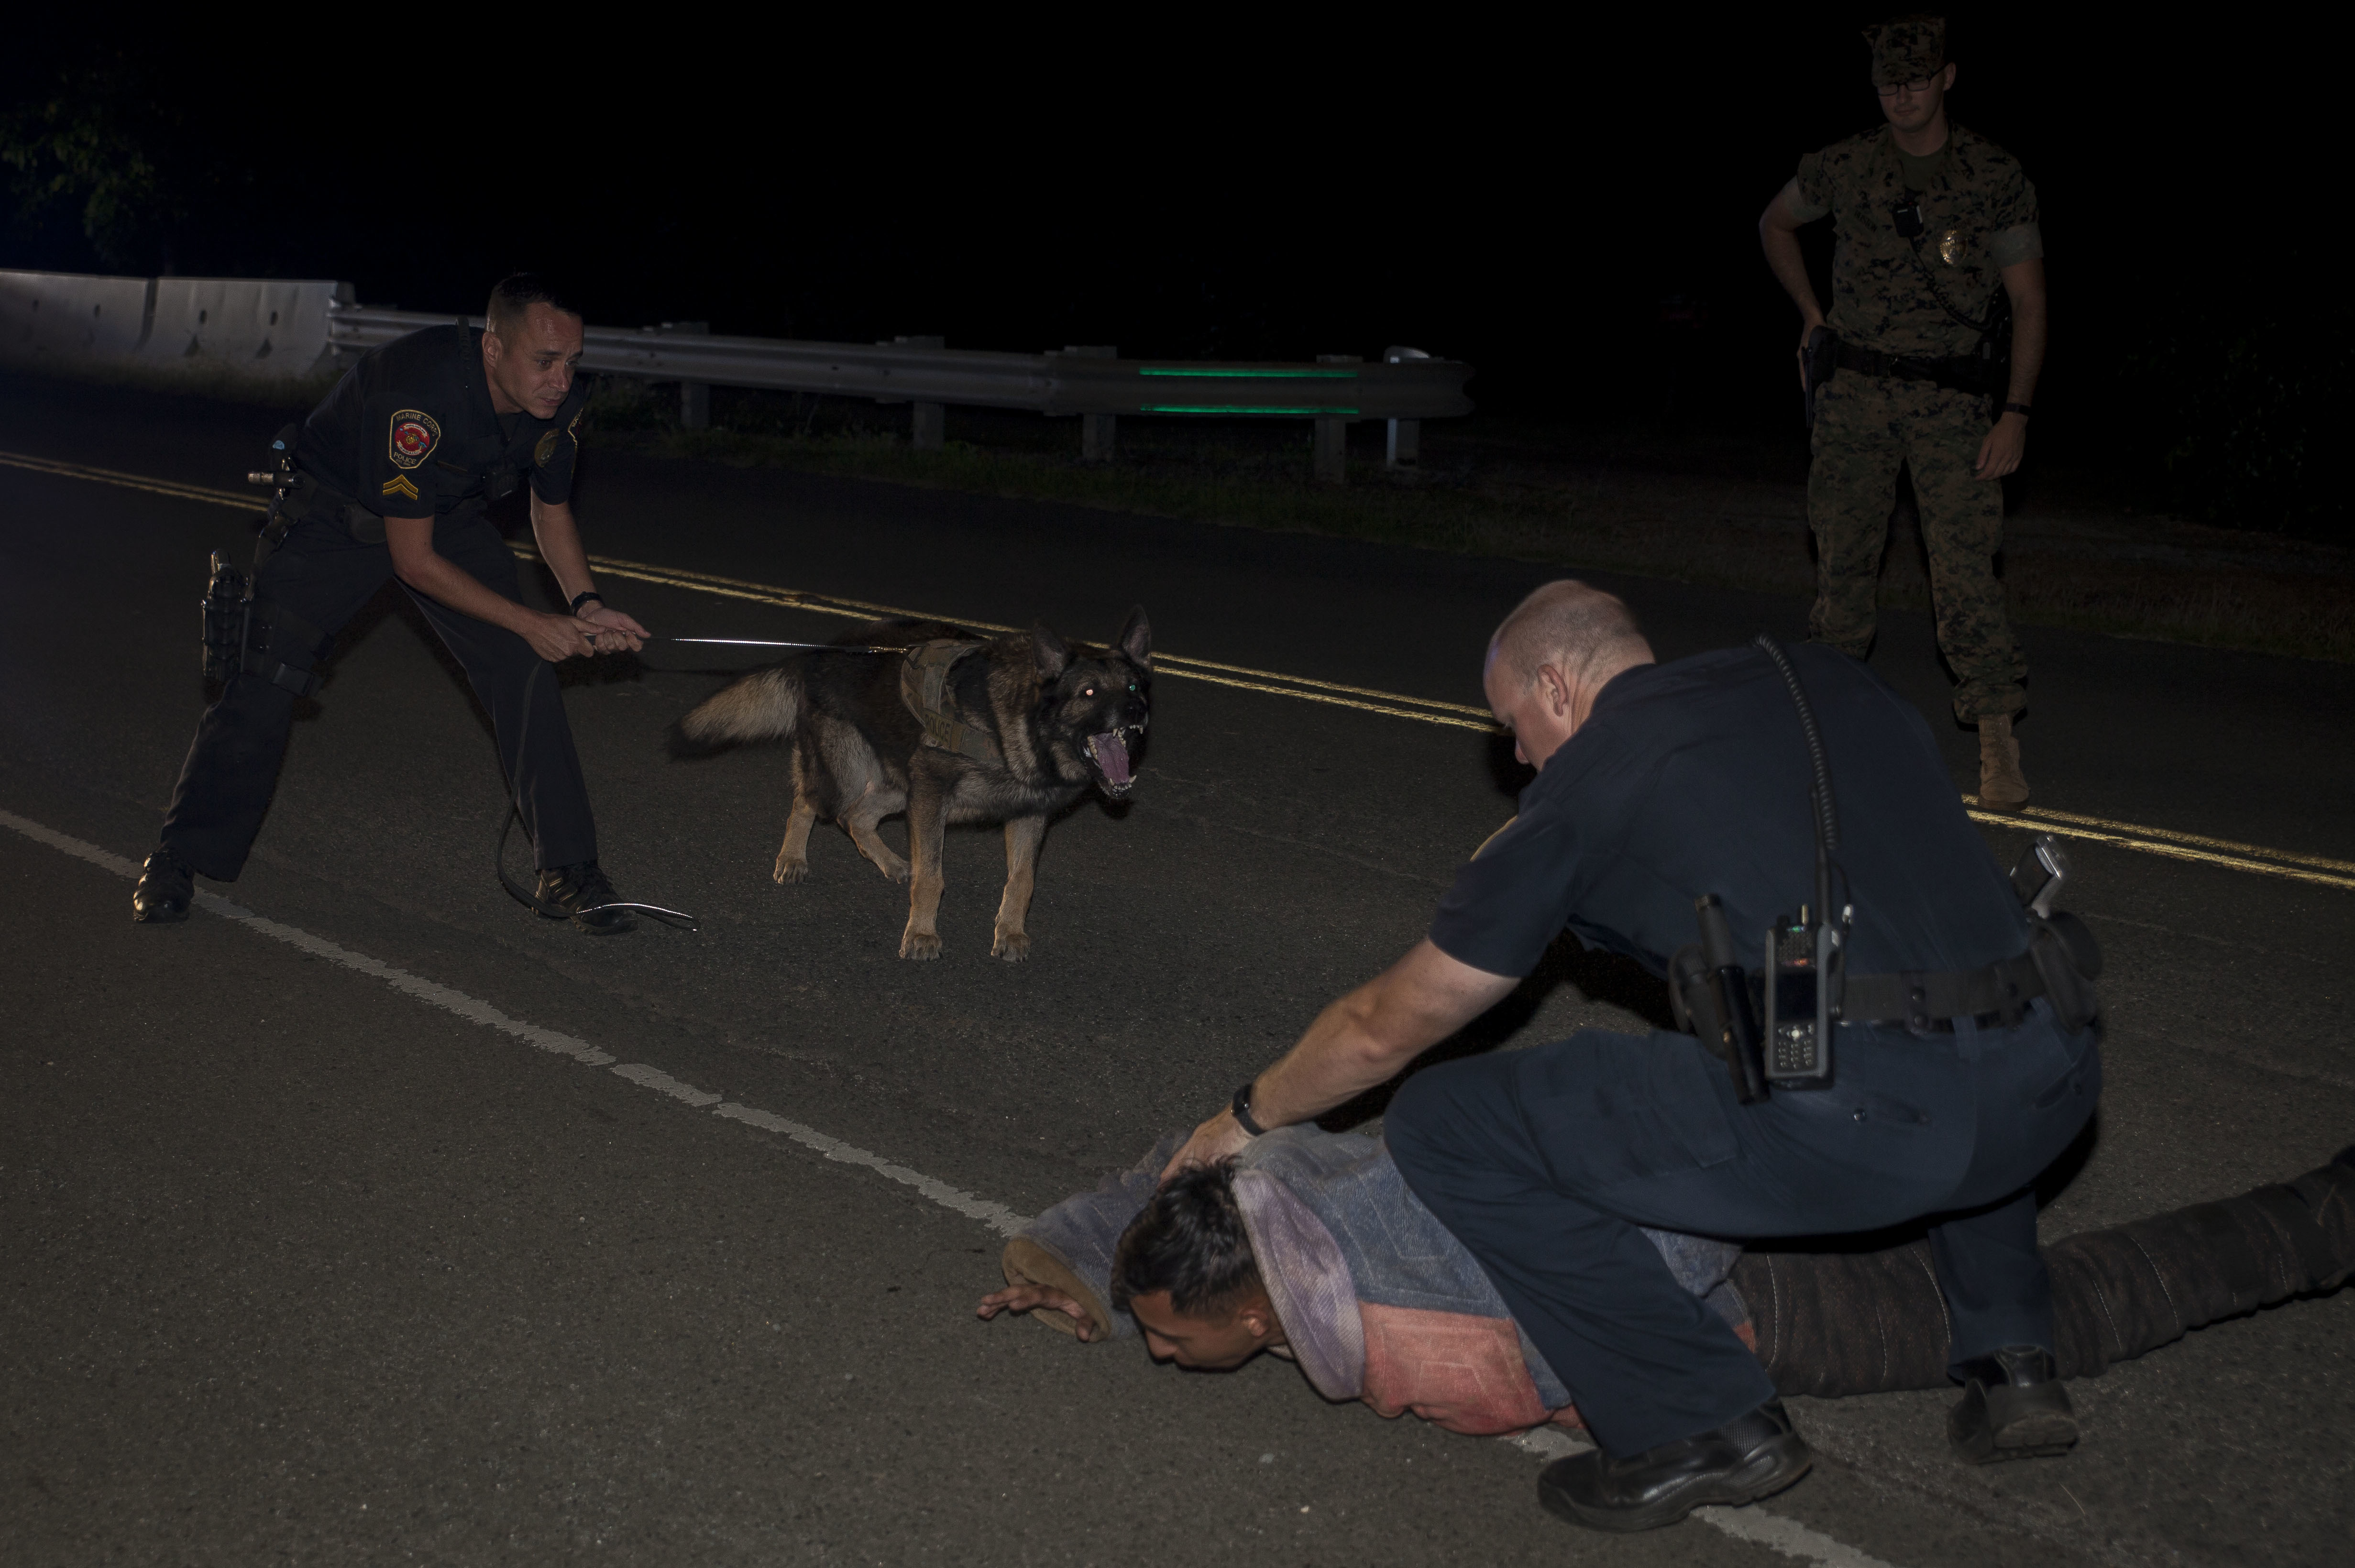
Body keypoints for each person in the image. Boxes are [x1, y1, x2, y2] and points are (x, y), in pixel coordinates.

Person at [1157, 579, 2102, 1532]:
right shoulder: (1818, 676)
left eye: (1514, 726)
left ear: (1558, 686)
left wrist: (1247, 1113)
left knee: (1446, 1120)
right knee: (1929, 994)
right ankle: (2012, 1358)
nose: (1518, 756)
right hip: (2053, 1078)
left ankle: (1699, 1419)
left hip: (1874, 1133)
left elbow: (1380, 1027)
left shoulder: (1591, 781)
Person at [978, 1129, 2354, 1463]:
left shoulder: (1421, 1327)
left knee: (2057, 1311)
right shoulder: (1271, 1177)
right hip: (1680, 1160)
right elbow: (1165, 1180)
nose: (1161, 1356)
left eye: (1168, 1338)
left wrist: (1676, 1404)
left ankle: (2319, 1220)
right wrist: (1059, 1258)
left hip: (1745, 1295)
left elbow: (1608, 1343)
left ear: (1251, 1311)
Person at [132, 274, 649, 933]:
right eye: (544, 361)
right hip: (336, 521)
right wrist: (534, 620)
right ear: (494, 348)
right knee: (265, 674)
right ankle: (180, 855)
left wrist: (586, 603)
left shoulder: (561, 410)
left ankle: (570, 871)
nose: (560, 379)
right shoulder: (419, 396)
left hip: (448, 521)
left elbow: (549, 513)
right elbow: (413, 562)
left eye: (572, 361)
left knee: (521, 664)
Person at [1757, 15, 2048, 810]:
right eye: (1889, 80)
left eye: (1917, 79)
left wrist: (2015, 412)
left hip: (1955, 404)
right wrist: (1812, 316)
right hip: (1854, 398)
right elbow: (1774, 224)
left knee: (1965, 573)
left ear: (1947, 77)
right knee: (1843, 569)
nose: (1902, 93)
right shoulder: (1847, 165)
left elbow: (2028, 301)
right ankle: (1824, 734)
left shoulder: (1994, 175)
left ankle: (1995, 739)